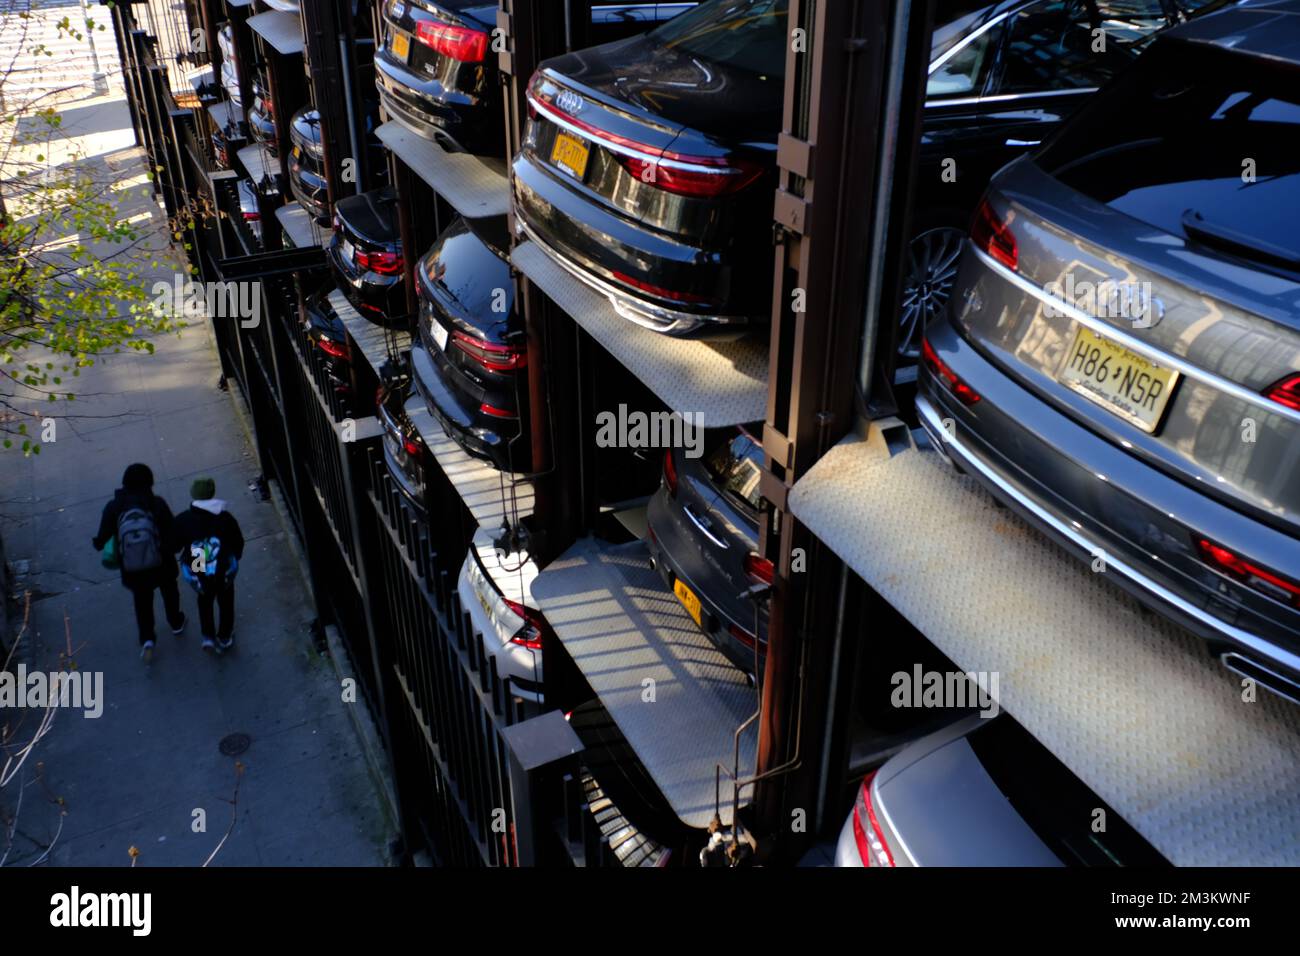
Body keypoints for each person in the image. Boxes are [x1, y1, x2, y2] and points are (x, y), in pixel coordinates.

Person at [92, 463, 186, 663]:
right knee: (170, 591)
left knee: (142, 602)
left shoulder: (114, 507)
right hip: (161, 562)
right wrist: (175, 548)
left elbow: (101, 539)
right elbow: (172, 533)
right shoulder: (157, 504)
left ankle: (147, 639)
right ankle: (175, 621)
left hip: (134, 568)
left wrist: (101, 543)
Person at [172, 476, 244, 654]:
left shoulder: (184, 519)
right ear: (212, 493)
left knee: (204, 600)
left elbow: (174, 545)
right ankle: (225, 635)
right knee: (226, 601)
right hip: (222, 567)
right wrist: (235, 556)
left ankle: (208, 636)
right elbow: (238, 541)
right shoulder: (225, 518)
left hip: (199, 565)